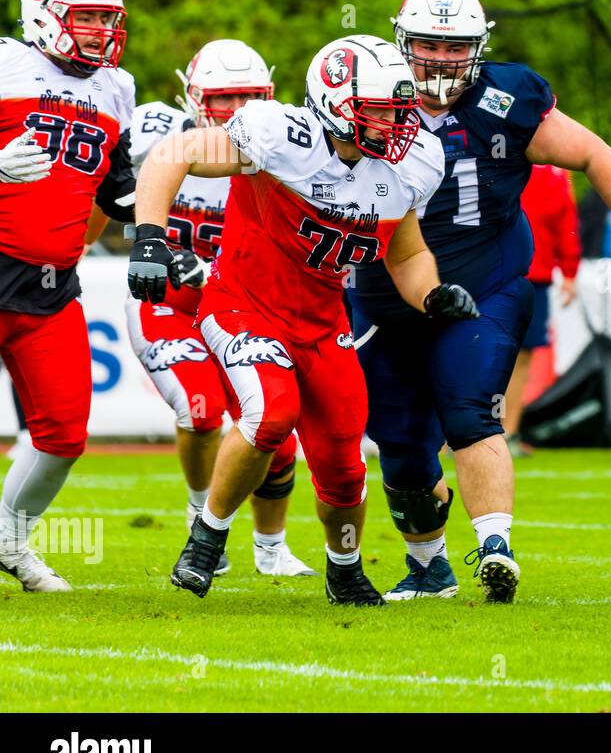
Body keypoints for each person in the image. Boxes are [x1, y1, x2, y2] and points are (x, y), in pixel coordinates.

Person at [128, 33, 476, 606]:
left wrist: (433, 295)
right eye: (380, 110)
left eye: (399, 109)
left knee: (344, 461)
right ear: (337, 102)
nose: (397, 124)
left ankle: (344, 570)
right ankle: (207, 538)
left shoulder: (410, 164)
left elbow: (406, 253)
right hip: (242, 302)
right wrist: (148, 238)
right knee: (271, 413)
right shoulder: (280, 135)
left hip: (321, 321)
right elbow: (174, 154)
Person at [349, 0, 611, 604]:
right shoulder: (369, 90)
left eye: (455, 45)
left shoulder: (507, 97)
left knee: (469, 410)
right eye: (429, 44)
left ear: (479, 46)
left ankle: (496, 546)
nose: (441, 58)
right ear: (401, 41)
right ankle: (428, 566)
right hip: (386, 292)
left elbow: (593, 153)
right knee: (400, 444)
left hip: (483, 284)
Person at [124, 39, 313, 578]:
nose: (238, 111)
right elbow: (104, 179)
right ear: (194, 97)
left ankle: (271, 547)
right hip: (169, 305)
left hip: (237, 307)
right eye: (224, 98)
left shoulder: (286, 149)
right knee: (202, 409)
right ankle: (197, 511)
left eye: (251, 96)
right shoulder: (153, 132)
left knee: (274, 434)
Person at [0, 0, 136, 591]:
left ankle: (8, 540)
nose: (99, 32)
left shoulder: (115, 89)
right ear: (45, 14)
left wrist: (167, 237)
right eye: (87, 17)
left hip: (49, 288)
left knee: (62, 433)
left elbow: (121, 188)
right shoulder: (5, 63)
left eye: (108, 19)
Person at [502, 163, 581, 457]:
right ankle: (460, 434)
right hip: (488, 272)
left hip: (536, 276)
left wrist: (570, 270)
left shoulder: (554, 171)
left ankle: (508, 431)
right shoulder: (490, 152)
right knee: (477, 353)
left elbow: (565, 221)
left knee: (521, 357)